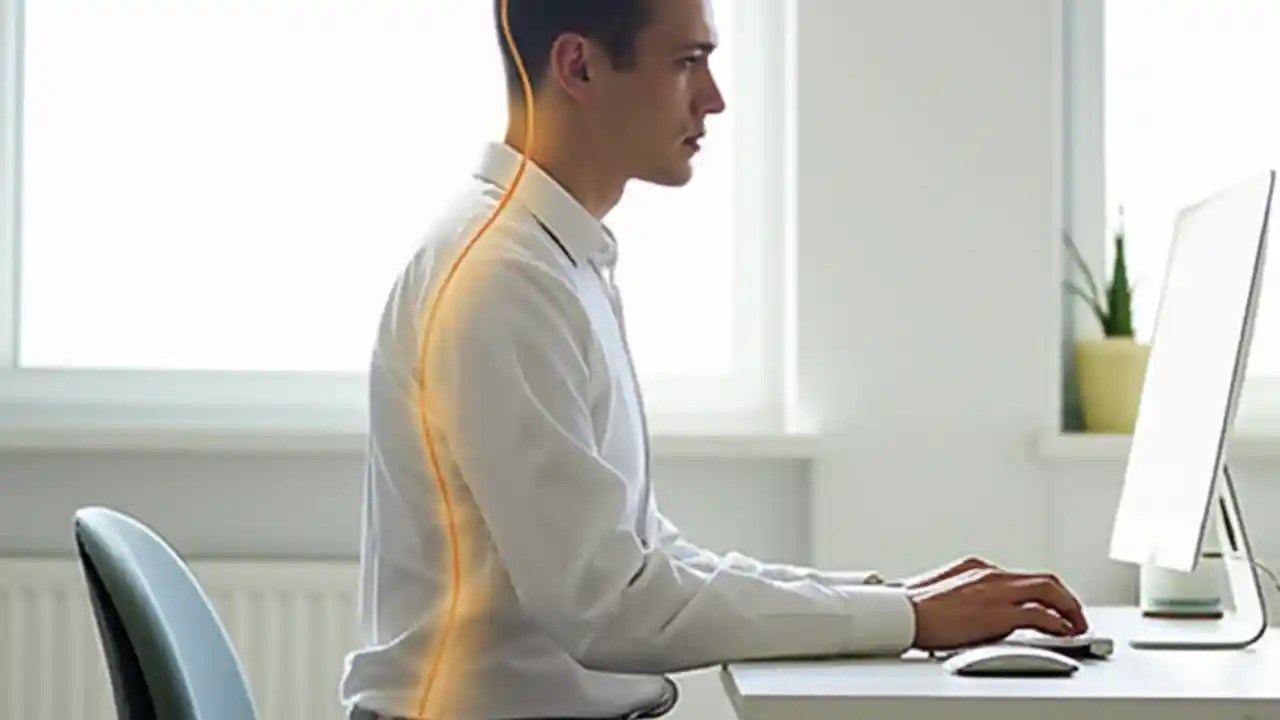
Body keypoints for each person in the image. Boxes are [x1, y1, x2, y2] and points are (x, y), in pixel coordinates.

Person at [339, 1, 1090, 718]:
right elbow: (611, 605)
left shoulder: (555, 260)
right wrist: (907, 616)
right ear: (580, 66)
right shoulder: (501, 279)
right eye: (688, 61)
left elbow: (644, 557)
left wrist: (891, 598)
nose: (715, 98)